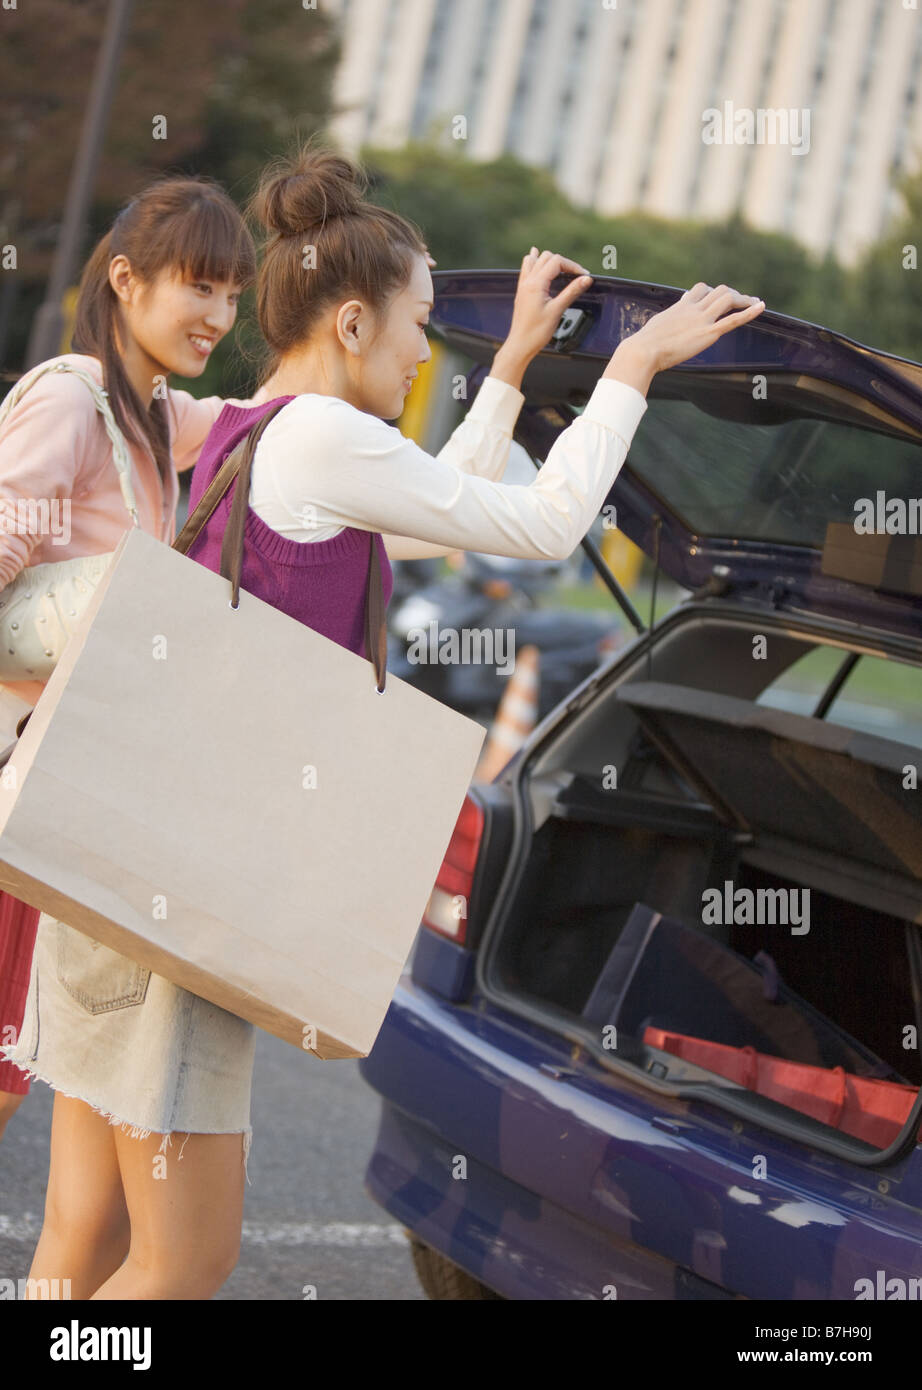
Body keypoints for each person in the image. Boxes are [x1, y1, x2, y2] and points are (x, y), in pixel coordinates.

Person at [2, 136, 764, 1300]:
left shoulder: (260, 430)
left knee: (81, 1249)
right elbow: (543, 522)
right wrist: (634, 373)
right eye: (416, 327)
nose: (423, 353)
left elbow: (446, 503)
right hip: (179, 912)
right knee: (181, 1267)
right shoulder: (321, 439)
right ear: (352, 324)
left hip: (115, 877)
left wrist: (508, 363)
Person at [0, 175, 255, 1291]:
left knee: (68, 1200)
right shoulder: (74, 397)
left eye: (237, 294)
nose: (219, 315)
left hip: (64, 812)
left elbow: (279, 430)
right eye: (201, 285)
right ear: (125, 280)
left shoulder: (160, 420)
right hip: (19, 787)